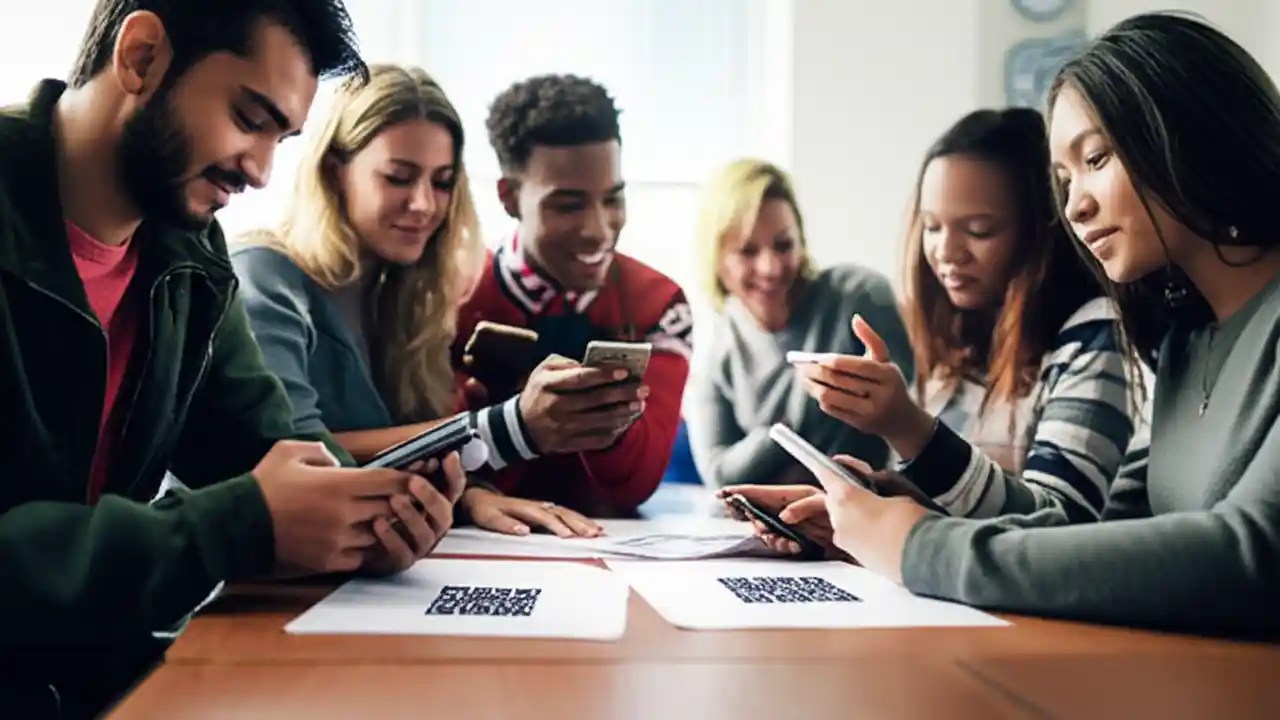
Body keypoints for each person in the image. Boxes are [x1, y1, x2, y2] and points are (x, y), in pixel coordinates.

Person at [738, 12, 1280, 636]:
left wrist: (920, 548)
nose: (1075, 205)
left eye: (1097, 158)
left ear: (1191, 134)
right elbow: (1101, 537)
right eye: (1063, 179)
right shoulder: (1186, 342)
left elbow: (1251, 556)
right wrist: (881, 514)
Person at [0, 3, 464, 716]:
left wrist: (369, 516)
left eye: (283, 137)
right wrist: (239, 525)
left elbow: (274, 458)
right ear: (143, 56)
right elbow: (250, 509)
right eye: (250, 120)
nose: (261, 171)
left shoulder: (190, 254)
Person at [234, 64, 601, 538]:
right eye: (399, 177)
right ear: (333, 171)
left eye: (442, 182)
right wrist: (506, 427)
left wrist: (471, 497)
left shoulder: (400, 296)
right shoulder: (264, 274)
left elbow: (391, 461)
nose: (425, 204)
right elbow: (302, 455)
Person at [786, 108, 1142, 521]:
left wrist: (906, 426)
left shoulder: (1096, 334)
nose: (947, 253)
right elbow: (956, 515)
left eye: (979, 231)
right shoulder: (962, 335)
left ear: (1044, 230)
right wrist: (861, 506)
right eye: (933, 227)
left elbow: (1057, 524)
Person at [452, 74, 694, 518]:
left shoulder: (659, 303)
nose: (598, 230)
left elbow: (636, 484)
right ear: (509, 197)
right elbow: (436, 457)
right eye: (568, 205)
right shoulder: (455, 295)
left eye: (612, 200)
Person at [685, 159, 912, 488]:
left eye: (784, 245)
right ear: (716, 259)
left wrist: (769, 454)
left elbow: (908, 420)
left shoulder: (858, 299)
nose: (771, 268)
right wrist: (785, 428)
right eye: (747, 251)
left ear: (801, 241)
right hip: (769, 528)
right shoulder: (719, 342)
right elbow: (718, 474)